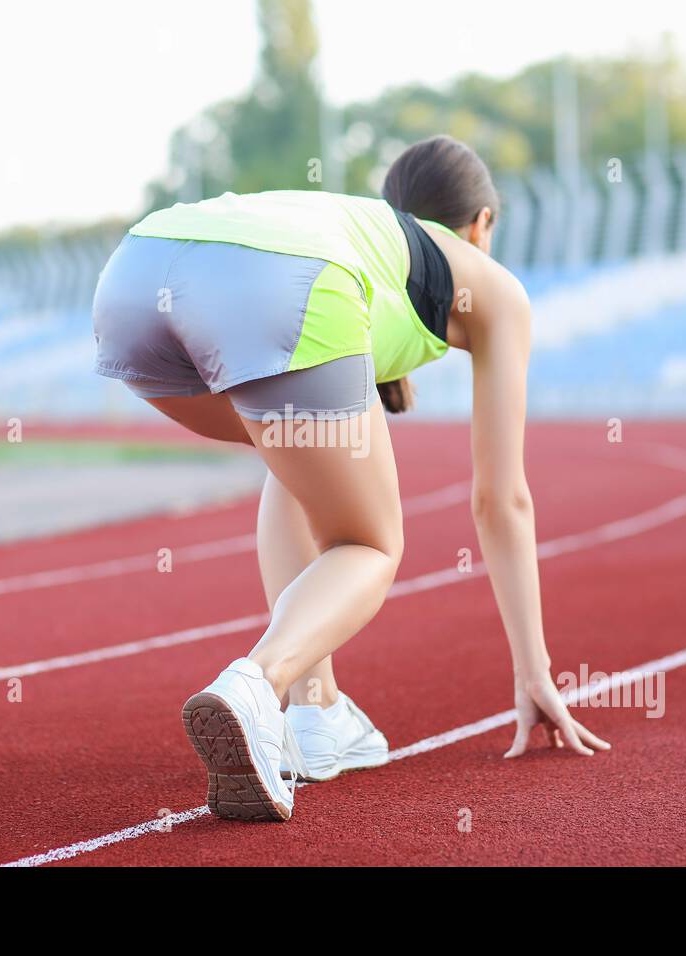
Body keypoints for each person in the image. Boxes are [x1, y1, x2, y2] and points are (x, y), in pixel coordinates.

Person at [91, 135, 609, 822]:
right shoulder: (493, 289)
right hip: (277, 283)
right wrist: (534, 669)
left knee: (295, 460)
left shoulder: (357, 228)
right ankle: (258, 685)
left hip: (134, 275)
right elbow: (501, 499)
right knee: (369, 543)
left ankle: (315, 717)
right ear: (482, 224)